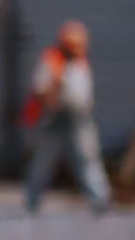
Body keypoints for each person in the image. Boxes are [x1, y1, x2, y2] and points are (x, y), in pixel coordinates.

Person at [23, 20, 112, 215]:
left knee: (88, 159)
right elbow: (39, 89)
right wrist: (53, 90)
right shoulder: (53, 60)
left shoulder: (80, 61)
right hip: (56, 118)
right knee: (43, 161)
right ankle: (32, 200)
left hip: (79, 117)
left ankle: (100, 199)